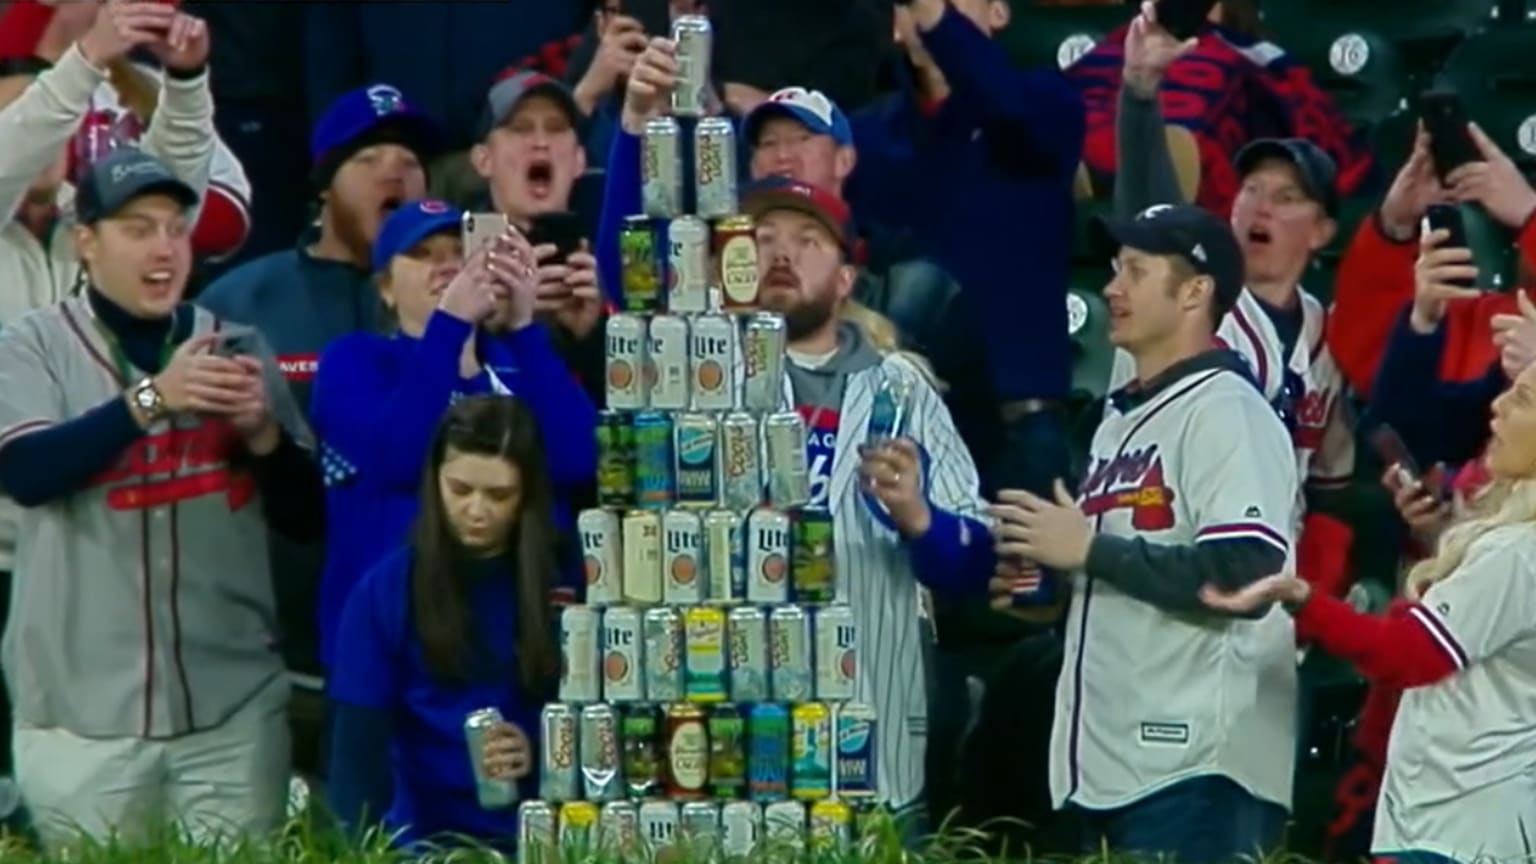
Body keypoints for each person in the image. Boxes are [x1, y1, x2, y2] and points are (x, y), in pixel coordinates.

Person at [0, 148, 322, 849]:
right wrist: (153, 399)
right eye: (138, 228)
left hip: (231, 718)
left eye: (176, 228)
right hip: (83, 731)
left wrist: (264, 435)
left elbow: (305, 519)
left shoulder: (233, 345)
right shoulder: (30, 346)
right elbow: (26, 472)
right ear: (86, 241)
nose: (164, 248)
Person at [988, 204, 1299, 863]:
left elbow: (1249, 571)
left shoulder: (1228, 409)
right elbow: (1120, 571)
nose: (1111, 289)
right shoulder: (1117, 422)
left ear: (1194, 291)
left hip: (1196, 772)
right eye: (1111, 269)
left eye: (1135, 270)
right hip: (1107, 767)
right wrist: (1055, 590)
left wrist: (1089, 550)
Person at [1201, 363, 1536, 863]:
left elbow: (1409, 655)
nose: (1499, 406)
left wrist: (1303, 599)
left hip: (1461, 831)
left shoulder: (1518, 553)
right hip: (1453, 822)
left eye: (1524, 399)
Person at [741, 177, 994, 828]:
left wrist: (920, 521)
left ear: (848, 278)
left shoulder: (899, 389)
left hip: (873, 737)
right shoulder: (701, 390)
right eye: (762, 239)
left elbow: (974, 562)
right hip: (735, 749)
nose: (780, 254)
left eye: (806, 239)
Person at [196, 83, 440, 677]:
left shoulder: (454, 304)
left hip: (429, 627)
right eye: (368, 160)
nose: (395, 174)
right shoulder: (245, 300)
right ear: (325, 184)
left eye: (411, 162)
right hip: (276, 634)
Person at [310, 200, 597, 673]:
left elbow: (580, 460)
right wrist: (449, 325)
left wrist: (525, 327)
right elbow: (401, 458)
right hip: (392, 655)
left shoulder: (515, 361)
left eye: (457, 250)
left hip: (513, 647)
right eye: (422, 254)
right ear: (384, 289)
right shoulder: (355, 361)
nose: (444, 264)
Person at [327, 395, 574, 850]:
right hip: (424, 841)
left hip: (555, 837)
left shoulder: (570, 580)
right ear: (434, 481)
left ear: (528, 496)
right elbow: (356, 765)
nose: (477, 511)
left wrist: (545, 746)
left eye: (499, 495)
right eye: (460, 490)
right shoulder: (383, 593)